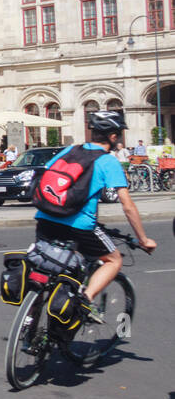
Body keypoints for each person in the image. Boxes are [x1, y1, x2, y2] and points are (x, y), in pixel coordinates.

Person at [33, 110, 155, 317]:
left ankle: (30, 324)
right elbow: (127, 205)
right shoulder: (108, 161)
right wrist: (143, 239)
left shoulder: (70, 151)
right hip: (79, 225)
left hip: (45, 218)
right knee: (114, 260)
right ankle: (83, 302)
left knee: (47, 270)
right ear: (113, 137)